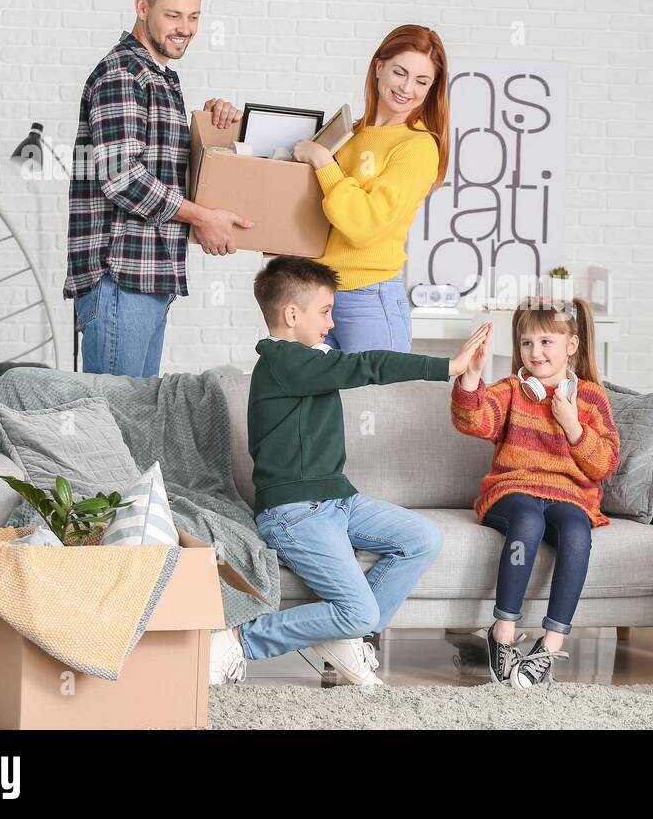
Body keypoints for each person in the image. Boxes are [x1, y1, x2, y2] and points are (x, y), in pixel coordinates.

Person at [207, 256, 489, 687]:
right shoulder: (283, 361)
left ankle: (345, 639)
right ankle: (239, 640)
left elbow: (354, 363)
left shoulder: (308, 360)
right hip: (294, 511)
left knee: (422, 538)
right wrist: (446, 367)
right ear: (291, 315)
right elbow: (365, 365)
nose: (332, 321)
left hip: (339, 500)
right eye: (325, 311)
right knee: (358, 610)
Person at [64, 0, 251, 377]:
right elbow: (122, 177)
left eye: (194, 16)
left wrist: (214, 125)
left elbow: (166, 172)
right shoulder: (123, 74)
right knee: (115, 423)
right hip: (120, 277)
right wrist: (202, 217)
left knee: (136, 423)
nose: (185, 28)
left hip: (149, 277)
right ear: (142, 7)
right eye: (172, 15)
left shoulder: (161, 78)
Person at [451, 297, 621, 688]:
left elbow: (604, 464)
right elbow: (473, 421)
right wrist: (473, 377)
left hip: (569, 495)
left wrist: (573, 425)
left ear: (571, 346)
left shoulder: (592, 398)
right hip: (513, 489)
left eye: (547, 342)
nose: (536, 352)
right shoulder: (512, 389)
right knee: (527, 520)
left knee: (577, 533)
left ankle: (550, 643)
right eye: (527, 343)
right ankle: (503, 632)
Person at [290, 24, 449, 354]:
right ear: (379, 67)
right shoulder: (347, 134)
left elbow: (365, 226)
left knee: (377, 404)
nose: (407, 88)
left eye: (422, 81)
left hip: (369, 299)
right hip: (316, 296)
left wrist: (324, 163)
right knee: (317, 405)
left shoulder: (417, 146)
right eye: (400, 72)